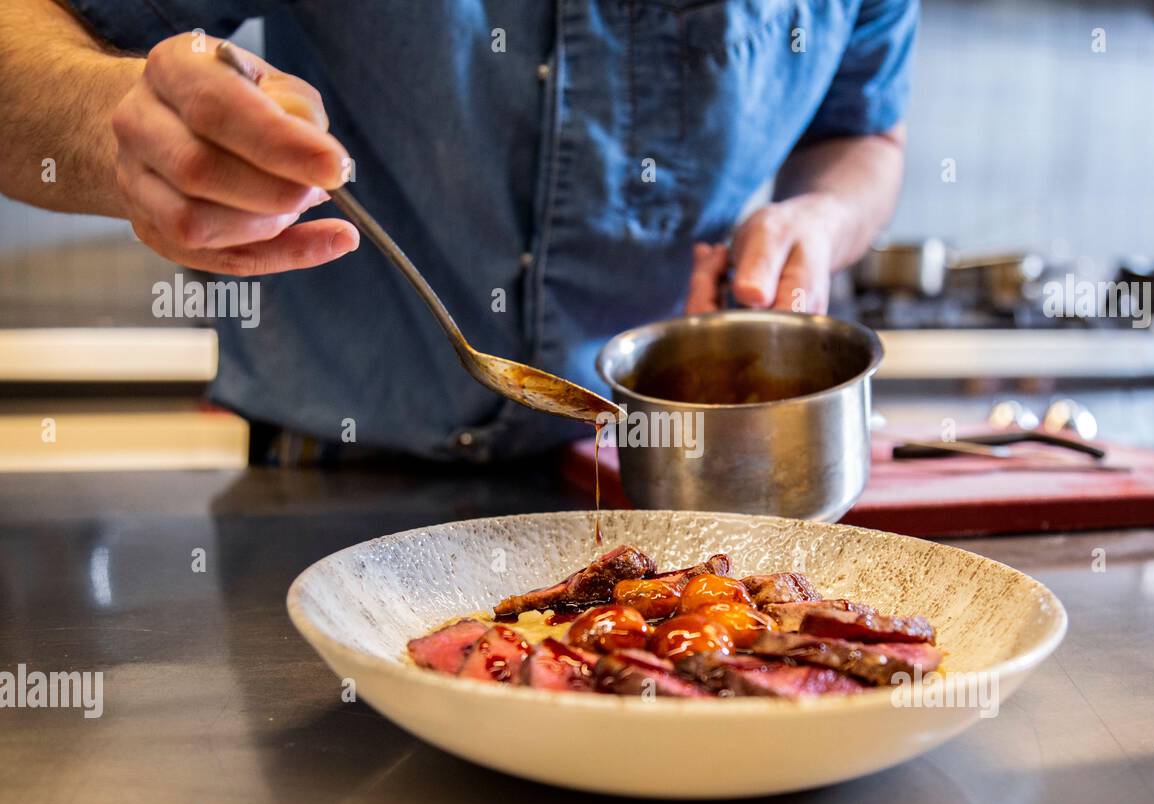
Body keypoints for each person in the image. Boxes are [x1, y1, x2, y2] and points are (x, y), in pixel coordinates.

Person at [0, 0, 914, 462]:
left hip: (660, 472)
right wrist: (121, 120)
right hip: (332, 479)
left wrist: (822, 219)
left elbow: (863, 131)